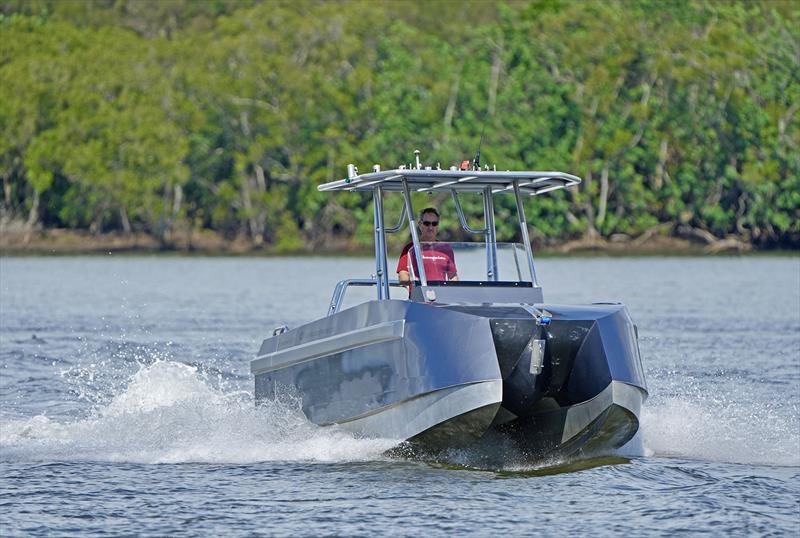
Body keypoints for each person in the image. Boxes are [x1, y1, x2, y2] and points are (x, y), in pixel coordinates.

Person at [397, 207, 458, 288]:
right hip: (419, 297)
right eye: (426, 223)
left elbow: (453, 277)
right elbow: (403, 276)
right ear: (420, 225)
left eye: (434, 223)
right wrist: (414, 283)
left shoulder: (446, 249)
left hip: (442, 298)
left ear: (438, 226)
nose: (430, 227)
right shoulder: (410, 249)